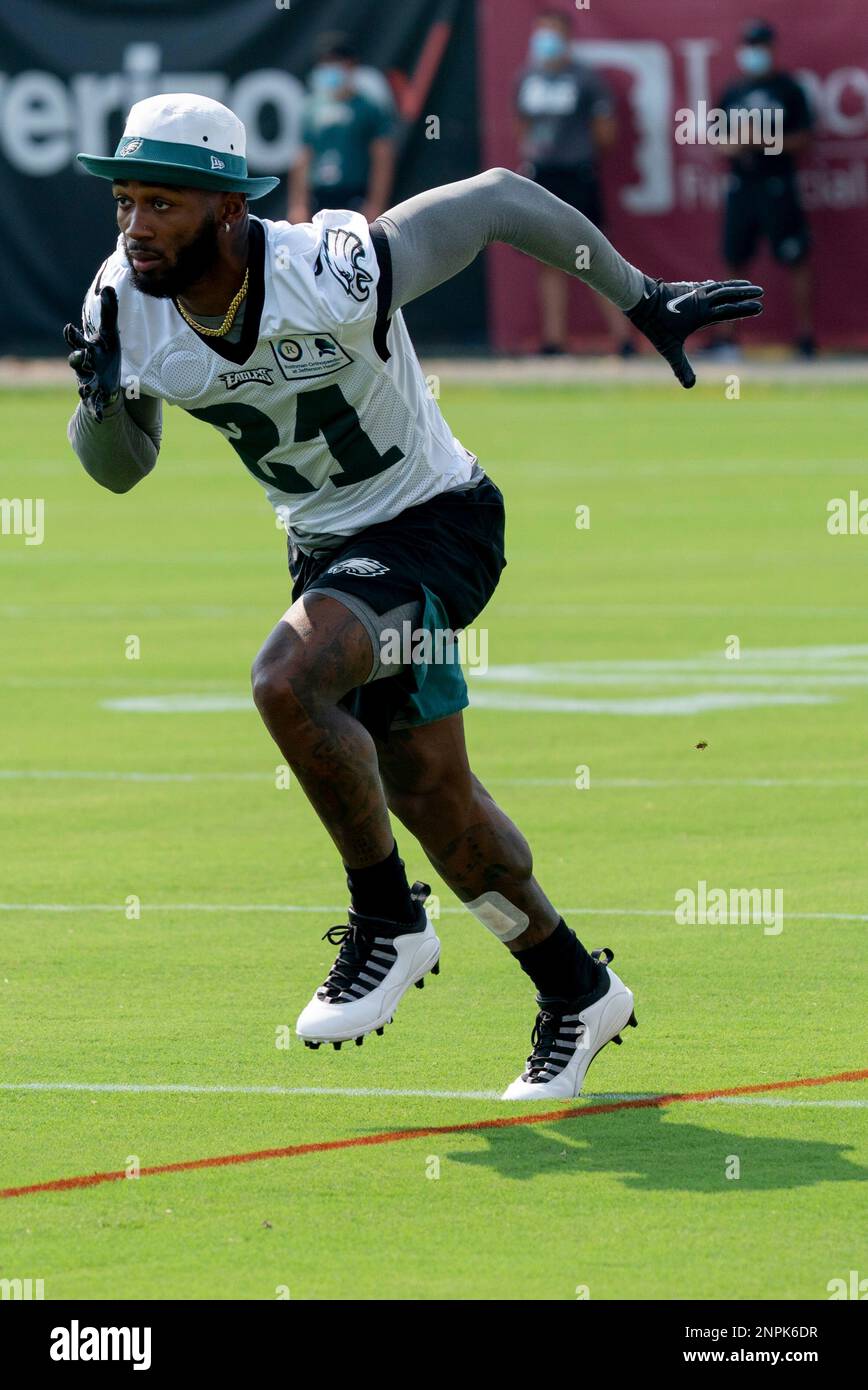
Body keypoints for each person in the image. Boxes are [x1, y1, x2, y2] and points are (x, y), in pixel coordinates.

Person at [65, 94, 762, 1100]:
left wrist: (640, 295)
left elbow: (497, 198)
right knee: (434, 798)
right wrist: (98, 398)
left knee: (284, 681)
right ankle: (574, 988)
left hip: (437, 527)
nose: (134, 227)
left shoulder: (326, 267)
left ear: (227, 208)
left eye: (161, 204)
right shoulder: (119, 300)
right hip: (329, 558)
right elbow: (120, 468)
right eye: (125, 202)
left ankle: (387, 919)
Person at [514, 9, 633, 356]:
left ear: (566, 37)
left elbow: (605, 133)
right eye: (540, 33)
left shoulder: (586, 80)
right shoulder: (526, 78)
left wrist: (576, 153)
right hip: (542, 175)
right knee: (547, 259)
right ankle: (555, 340)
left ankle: (623, 338)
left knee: (594, 256)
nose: (544, 41)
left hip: (578, 175)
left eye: (551, 33)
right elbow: (520, 125)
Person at [715, 18, 815, 356]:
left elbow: (805, 138)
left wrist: (764, 140)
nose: (755, 54)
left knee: (795, 256)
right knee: (734, 258)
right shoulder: (733, 92)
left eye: (761, 47)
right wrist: (734, 144)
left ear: (772, 49)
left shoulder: (789, 90)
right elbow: (718, 140)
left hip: (778, 183)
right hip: (742, 183)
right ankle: (729, 339)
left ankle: (804, 337)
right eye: (750, 47)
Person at [288, 39, 395, 225]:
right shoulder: (311, 107)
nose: (330, 68)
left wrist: (375, 203)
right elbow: (303, 158)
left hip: (355, 195)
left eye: (335, 62)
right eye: (325, 63)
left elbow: (382, 156)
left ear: (351, 66)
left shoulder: (369, 107)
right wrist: (298, 204)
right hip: (319, 196)